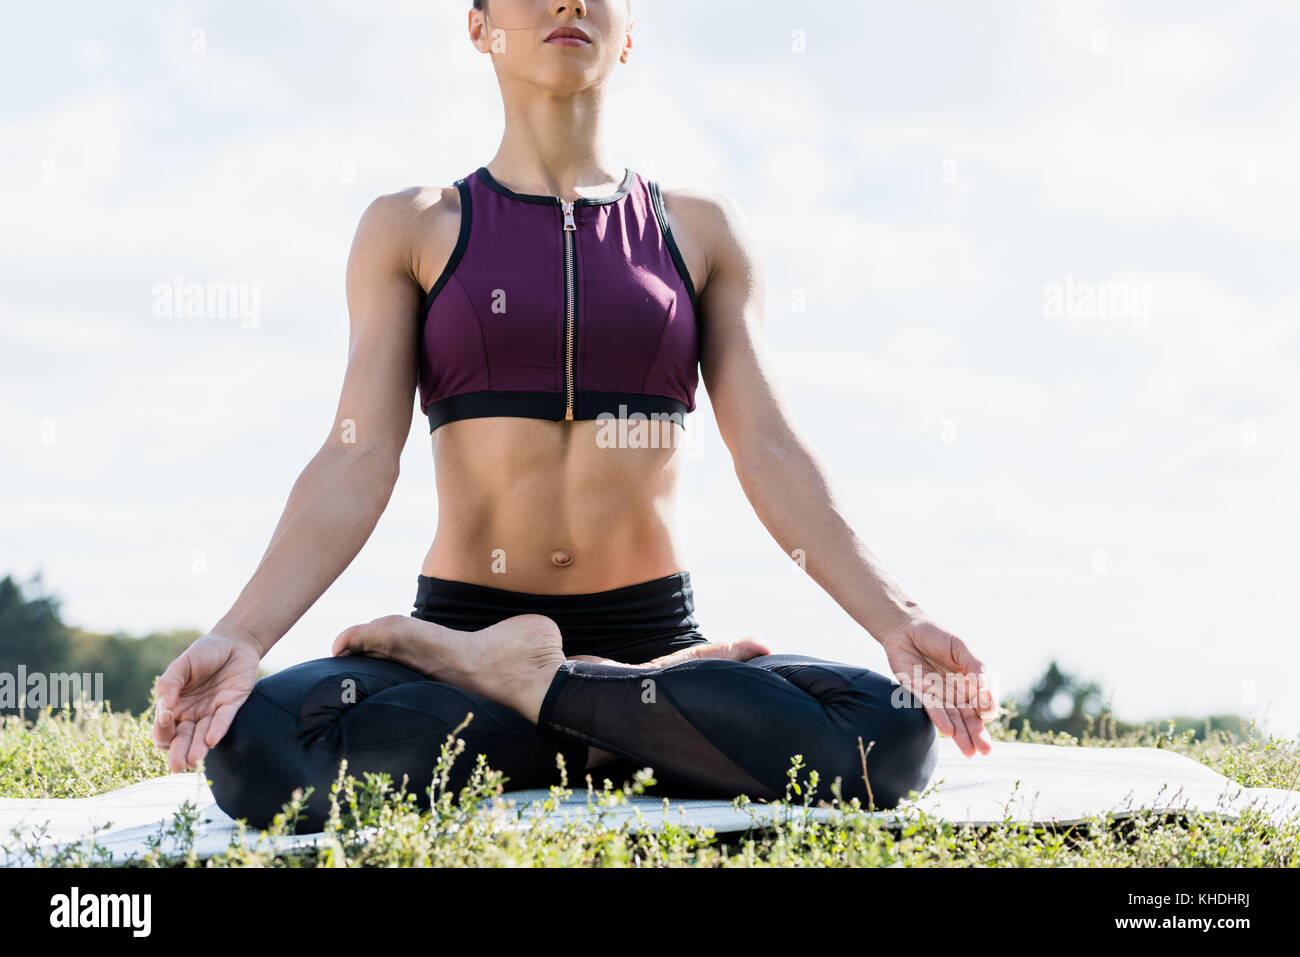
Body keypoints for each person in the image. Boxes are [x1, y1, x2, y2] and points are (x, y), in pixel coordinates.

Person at [151, 0, 998, 832]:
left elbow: (770, 447)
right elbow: (356, 457)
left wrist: (900, 619)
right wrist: (242, 633)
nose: (568, 1)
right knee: (259, 746)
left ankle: (541, 689)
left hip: (655, 647)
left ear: (628, 34)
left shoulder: (700, 231)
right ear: (479, 27)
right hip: (466, 636)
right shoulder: (412, 226)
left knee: (890, 730)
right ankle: (610, 721)